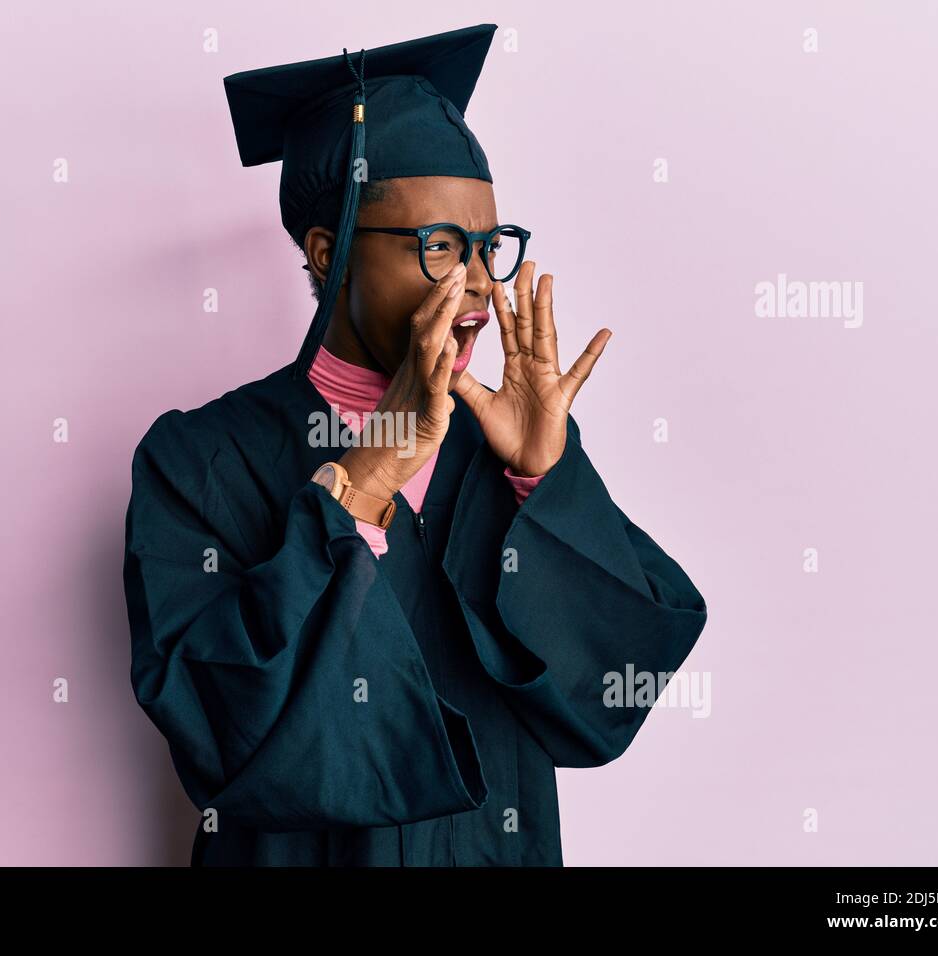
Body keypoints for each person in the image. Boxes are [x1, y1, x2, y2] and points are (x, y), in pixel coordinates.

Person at [123, 23, 708, 866]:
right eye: (438, 247)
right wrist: (360, 486)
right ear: (329, 256)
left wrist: (542, 478)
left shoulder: (503, 448)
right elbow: (217, 732)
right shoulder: (198, 460)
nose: (474, 281)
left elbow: (613, 696)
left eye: (486, 248)